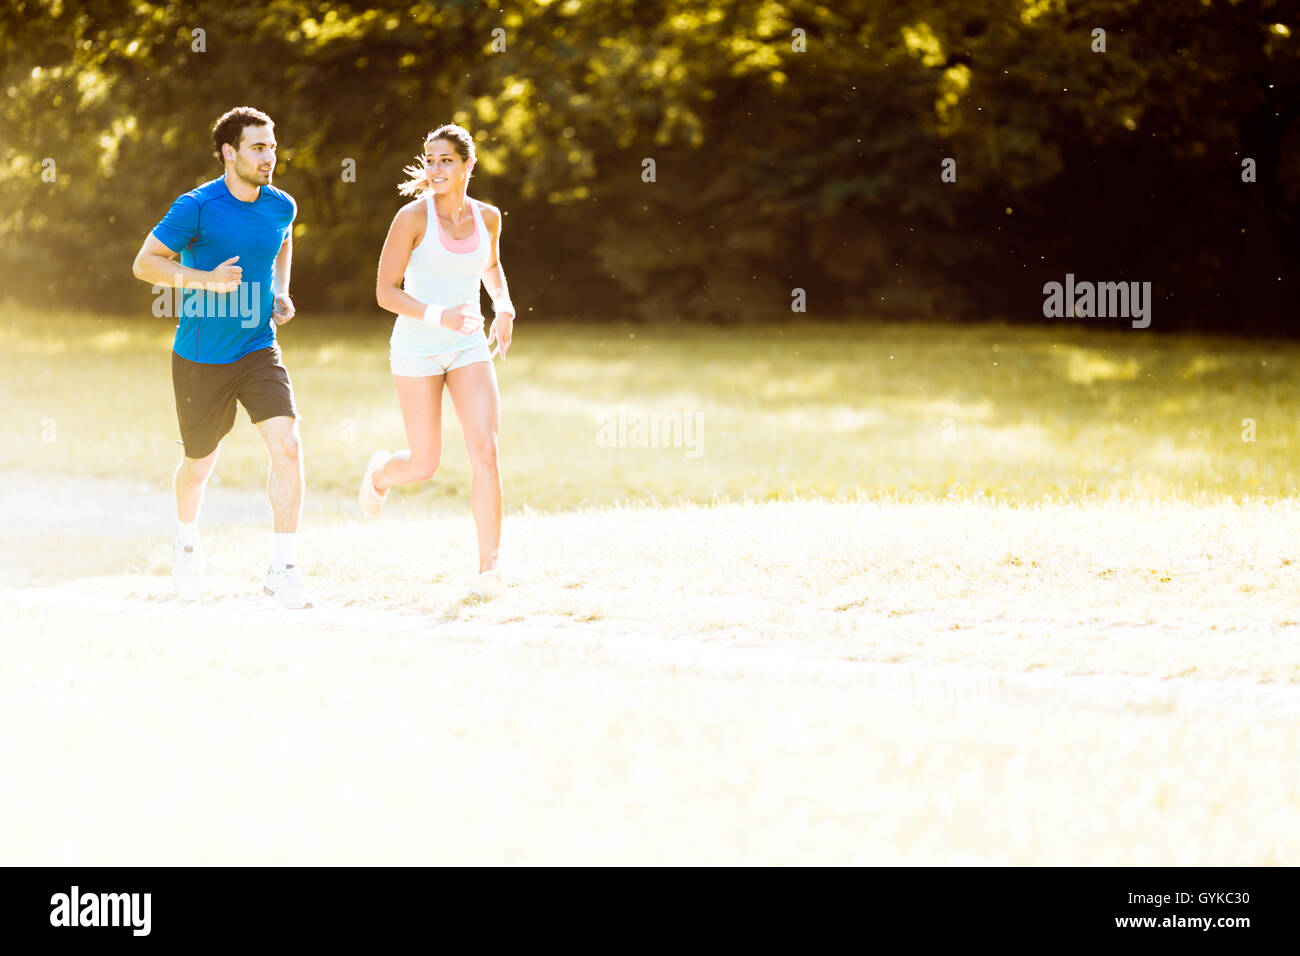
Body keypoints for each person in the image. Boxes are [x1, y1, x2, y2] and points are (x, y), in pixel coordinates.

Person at [131, 106, 312, 609]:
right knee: (198, 464)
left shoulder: (281, 206)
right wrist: (206, 280)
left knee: (288, 446)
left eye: (272, 146)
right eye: (258, 147)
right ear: (229, 152)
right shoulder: (197, 207)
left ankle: (283, 567)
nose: (269, 157)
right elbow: (145, 263)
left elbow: (283, 241)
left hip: (258, 347)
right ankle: (186, 542)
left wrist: (280, 289)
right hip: (201, 357)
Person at [362, 123, 516, 599]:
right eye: (430, 160)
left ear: (469, 165)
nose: (435, 168)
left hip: (467, 345)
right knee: (425, 464)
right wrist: (438, 315)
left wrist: (504, 305)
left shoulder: (488, 217)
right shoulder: (412, 217)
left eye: (446, 160)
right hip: (417, 346)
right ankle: (381, 473)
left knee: (485, 451)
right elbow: (385, 292)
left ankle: (488, 569)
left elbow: (488, 265)